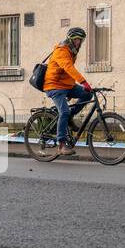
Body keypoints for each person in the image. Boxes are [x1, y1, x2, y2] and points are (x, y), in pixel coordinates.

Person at [42, 27, 92, 157]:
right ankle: (61, 145)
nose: (79, 43)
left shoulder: (71, 51)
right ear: (70, 40)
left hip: (66, 85)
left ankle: (70, 115)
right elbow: (68, 68)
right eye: (77, 40)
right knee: (63, 111)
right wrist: (83, 82)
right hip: (54, 86)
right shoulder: (61, 51)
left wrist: (82, 87)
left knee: (87, 94)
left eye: (81, 40)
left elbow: (67, 72)